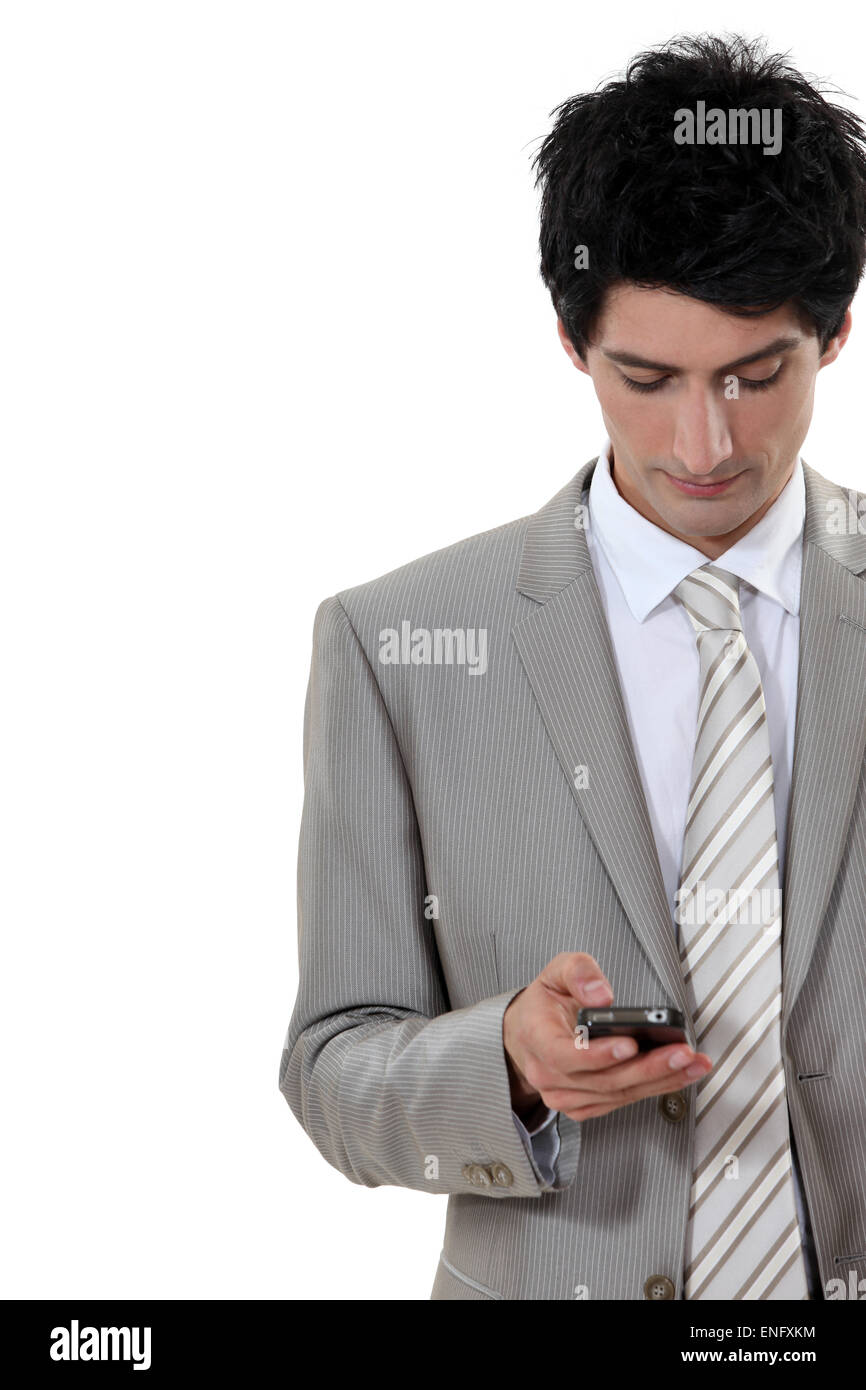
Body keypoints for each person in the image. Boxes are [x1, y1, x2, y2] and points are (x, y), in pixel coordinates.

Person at [279, 33, 866, 1300]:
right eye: (643, 378)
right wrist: (501, 1061)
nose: (700, 442)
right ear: (568, 338)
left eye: (752, 375)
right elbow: (334, 1072)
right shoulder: (396, 645)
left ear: (833, 333)